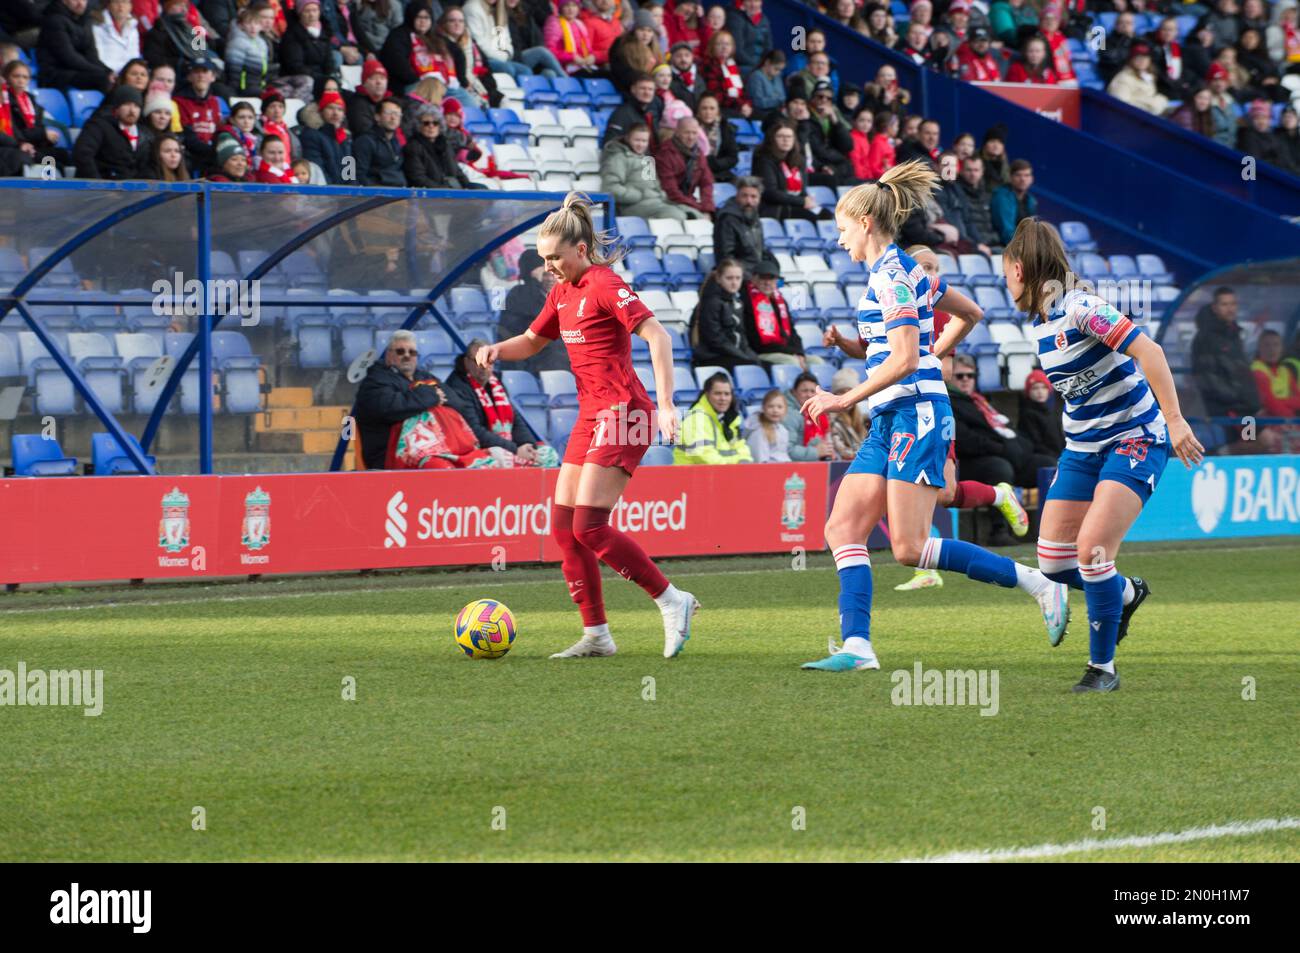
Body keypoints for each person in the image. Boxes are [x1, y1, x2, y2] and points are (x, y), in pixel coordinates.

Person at [798, 161, 1069, 673]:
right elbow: (970, 315)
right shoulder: (895, 273)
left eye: (841, 230)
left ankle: (1039, 584)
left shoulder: (895, 278)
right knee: (841, 529)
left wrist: (844, 397)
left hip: (915, 415)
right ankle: (857, 647)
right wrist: (915, 353)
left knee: (909, 547)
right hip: (892, 417)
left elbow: (902, 360)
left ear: (865, 222)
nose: (839, 241)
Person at [476, 192, 701, 660]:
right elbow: (534, 341)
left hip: (626, 412)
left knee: (590, 526)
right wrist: (498, 349)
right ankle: (597, 634)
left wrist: (666, 403)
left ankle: (671, 600)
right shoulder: (560, 292)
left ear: (579, 250)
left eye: (555, 257)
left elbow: (657, 334)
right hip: (592, 414)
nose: (549, 266)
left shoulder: (603, 283)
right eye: (543, 259)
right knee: (563, 527)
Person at [1008, 219, 1203, 692]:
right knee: (1053, 561)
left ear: (1019, 268)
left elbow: (1150, 351)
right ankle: (1124, 592)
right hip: (1082, 447)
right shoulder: (1039, 324)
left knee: (1093, 550)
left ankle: (1102, 670)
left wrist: (1174, 420)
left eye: (1006, 270)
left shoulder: (1081, 308)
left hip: (1135, 438)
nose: (1005, 279)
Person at [444, 338, 560, 465]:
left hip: (507, 446)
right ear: (466, 362)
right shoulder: (457, 387)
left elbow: (515, 419)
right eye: (477, 360)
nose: (483, 365)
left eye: (488, 360)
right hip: (476, 449)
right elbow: (475, 431)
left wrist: (527, 445)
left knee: (548, 455)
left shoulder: (496, 383)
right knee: (502, 458)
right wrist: (515, 450)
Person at [353, 329, 447, 470]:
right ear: (389, 356)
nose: (407, 356)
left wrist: (425, 396)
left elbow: (454, 400)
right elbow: (392, 407)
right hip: (389, 458)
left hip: (431, 448)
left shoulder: (424, 376)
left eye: (412, 352)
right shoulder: (374, 381)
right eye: (400, 352)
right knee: (439, 468)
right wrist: (432, 396)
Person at [600, 122, 687, 220]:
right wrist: (639, 195)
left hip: (656, 203)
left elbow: (656, 186)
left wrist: (661, 194)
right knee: (675, 215)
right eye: (637, 140)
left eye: (644, 141)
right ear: (628, 138)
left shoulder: (647, 159)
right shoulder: (617, 159)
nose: (641, 145)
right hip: (631, 207)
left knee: (694, 214)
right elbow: (610, 188)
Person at [689, 258, 761, 372]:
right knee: (750, 367)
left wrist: (752, 358)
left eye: (738, 278)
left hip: (733, 355)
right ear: (718, 278)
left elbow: (741, 337)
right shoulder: (710, 303)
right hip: (712, 358)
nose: (734, 282)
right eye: (729, 278)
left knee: (763, 366)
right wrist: (743, 357)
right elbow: (715, 340)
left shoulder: (737, 302)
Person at [751, 118, 828, 222]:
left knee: (828, 215)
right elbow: (770, 193)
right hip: (773, 207)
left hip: (794, 203)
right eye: (780, 136)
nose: (785, 140)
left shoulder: (800, 160)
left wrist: (807, 201)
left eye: (789, 137)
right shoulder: (764, 160)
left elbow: (802, 190)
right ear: (772, 139)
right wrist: (802, 201)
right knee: (812, 217)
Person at [743, 259, 811, 368]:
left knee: (816, 362)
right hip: (763, 352)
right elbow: (756, 340)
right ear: (754, 279)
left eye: (771, 278)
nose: (767, 282)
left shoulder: (780, 301)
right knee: (792, 363)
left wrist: (799, 353)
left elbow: (792, 332)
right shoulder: (747, 301)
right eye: (763, 278)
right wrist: (791, 353)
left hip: (785, 351)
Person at [38, 0, 116, 94]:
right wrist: (103, 73)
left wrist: (109, 71)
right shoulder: (54, 20)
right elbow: (68, 57)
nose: (80, 3)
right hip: (56, 73)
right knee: (103, 79)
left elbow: (92, 55)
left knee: (119, 78)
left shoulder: (86, 20)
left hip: (77, 70)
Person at [72, 85, 148, 180]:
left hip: (133, 192)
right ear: (116, 108)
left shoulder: (145, 135)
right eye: (127, 104)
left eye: (136, 106)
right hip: (97, 190)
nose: (132, 110)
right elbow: (82, 154)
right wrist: (99, 185)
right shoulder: (98, 125)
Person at [676, 371, 753, 464]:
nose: (723, 398)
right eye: (717, 393)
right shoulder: (696, 418)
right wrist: (734, 466)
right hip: (690, 475)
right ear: (707, 394)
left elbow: (740, 446)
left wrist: (745, 461)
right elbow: (704, 457)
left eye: (727, 394)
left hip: (717, 474)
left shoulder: (728, 418)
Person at [712, 175, 777, 277]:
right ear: (737, 196)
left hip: (756, 274)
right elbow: (725, 257)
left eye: (753, 197)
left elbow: (760, 251)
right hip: (737, 278)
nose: (749, 201)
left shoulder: (754, 216)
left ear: (759, 198)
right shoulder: (727, 219)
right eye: (744, 196)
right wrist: (749, 278)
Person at [654, 115, 715, 218]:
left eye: (694, 133)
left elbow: (707, 183)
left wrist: (707, 208)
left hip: (689, 201)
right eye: (686, 132)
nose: (691, 137)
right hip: (668, 201)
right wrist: (698, 207)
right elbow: (670, 191)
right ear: (677, 132)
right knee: (698, 217)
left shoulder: (699, 154)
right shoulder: (665, 154)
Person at [299, 89, 352, 183]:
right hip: (326, 193)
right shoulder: (311, 135)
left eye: (340, 109)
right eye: (330, 108)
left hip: (345, 193)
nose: (335, 113)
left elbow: (349, 172)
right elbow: (318, 171)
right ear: (321, 112)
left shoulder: (346, 137)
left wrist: (352, 191)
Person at [353, 97, 407, 186]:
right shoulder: (365, 141)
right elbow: (359, 175)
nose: (393, 117)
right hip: (374, 195)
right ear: (377, 117)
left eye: (397, 114)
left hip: (397, 193)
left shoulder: (396, 142)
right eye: (388, 113)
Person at [700, 29, 752, 118]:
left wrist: (747, 105)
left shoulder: (732, 65)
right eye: (719, 44)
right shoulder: (709, 65)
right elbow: (716, 95)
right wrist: (740, 105)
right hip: (720, 107)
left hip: (736, 106)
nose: (724, 47)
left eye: (727, 44)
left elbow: (743, 92)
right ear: (712, 47)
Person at [602, 72, 663, 146]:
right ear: (633, 90)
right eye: (642, 88)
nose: (647, 92)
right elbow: (609, 145)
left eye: (650, 89)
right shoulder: (621, 114)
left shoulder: (653, 113)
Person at [1108, 43, 1170, 115]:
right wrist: (1153, 105)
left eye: (1146, 57)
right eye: (1138, 57)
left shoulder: (1148, 75)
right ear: (1131, 59)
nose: (1142, 60)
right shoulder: (1123, 78)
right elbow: (1120, 106)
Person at [1018, 368, 1065, 462]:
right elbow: (1036, 445)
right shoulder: (1028, 415)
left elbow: (1060, 440)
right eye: (1035, 388)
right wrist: (1057, 458)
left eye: (1044, 387)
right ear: (1028, 392)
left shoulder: (1051, 412)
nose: (1040, 391)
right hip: (1044, 460)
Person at [991, 159, 1037, 245]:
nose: (1022, 179)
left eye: (1026, 175)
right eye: (1018, 175)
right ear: (1010, 177)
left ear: (1031, 179)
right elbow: (1006, 232)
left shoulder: (1031, 200)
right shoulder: (1001, 197)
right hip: (1005, 247)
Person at [695, 93, 738, 183]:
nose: (708, 112)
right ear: (698, 111)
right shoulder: (691, 127)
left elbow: (733, 158)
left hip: (720, 173)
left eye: (712, 108)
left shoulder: (725, 128)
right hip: (695, 173)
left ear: (718, 111)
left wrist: (715, 164)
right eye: (704, 108)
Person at [93, 0, 142, 75]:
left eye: (125, 2)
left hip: (129, 75)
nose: (121, 6)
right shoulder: (97, 26)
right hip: (108, 73)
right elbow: (98, 57)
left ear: (130, 6)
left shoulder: (133, 28)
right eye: (116, 2)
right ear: (109, 5)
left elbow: (135, 55)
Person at [744, 388, 792, 462]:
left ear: (785, 410)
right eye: (770, 406)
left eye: (779, 407)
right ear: (763, 408)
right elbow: (760, 462)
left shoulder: (783, 430)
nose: (775, 410)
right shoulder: (759, 433)